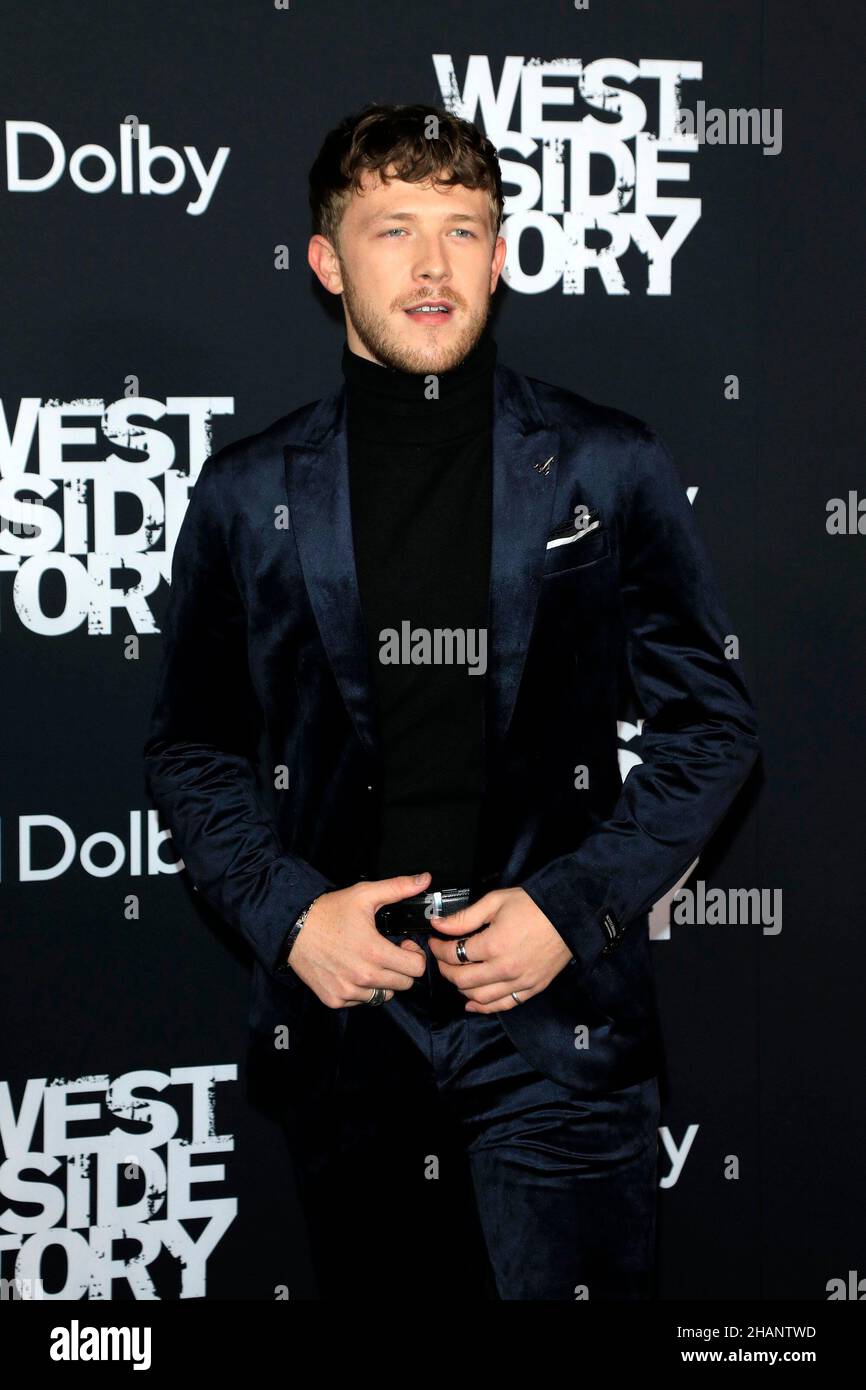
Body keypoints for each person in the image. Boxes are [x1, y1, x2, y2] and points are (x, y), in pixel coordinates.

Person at [143, 102, 761, 1300]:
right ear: (327, 262)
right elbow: (193, 748)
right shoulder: (245, 492)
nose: (432, 266)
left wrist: (567, 910)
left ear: (498, 252)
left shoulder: (603, 464)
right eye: (393, 231)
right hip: (348, 1039)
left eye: (462, 230)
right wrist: (292, 918)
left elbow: (709, 727)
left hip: (555, 1036)